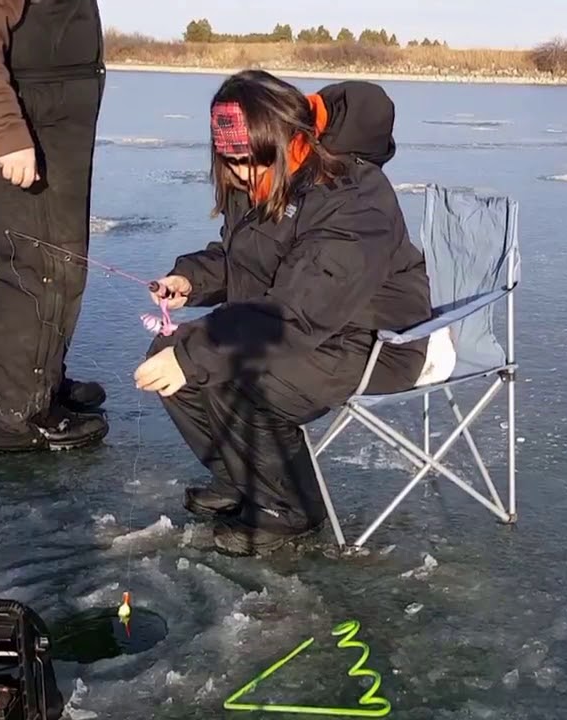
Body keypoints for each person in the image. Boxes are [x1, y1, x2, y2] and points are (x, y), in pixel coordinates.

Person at [133, 71, 433, 556]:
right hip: (300, 327)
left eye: (250, 161)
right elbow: (250, 260)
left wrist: (197, 354)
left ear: (284, 140)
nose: (240, 174)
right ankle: (243, 478)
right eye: (230, 162)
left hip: (372, 340)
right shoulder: (263, 176)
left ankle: (288, 509)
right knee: (170, 354)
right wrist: (194, 280)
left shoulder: (353, 196)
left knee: (228, 373)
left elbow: (299, 309)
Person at [0, 0, 110, 452]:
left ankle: (42, 384)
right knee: (36, 265)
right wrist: (6, 131)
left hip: (50, 115)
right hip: (26, 116)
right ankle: (16, 417)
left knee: (62, 260)